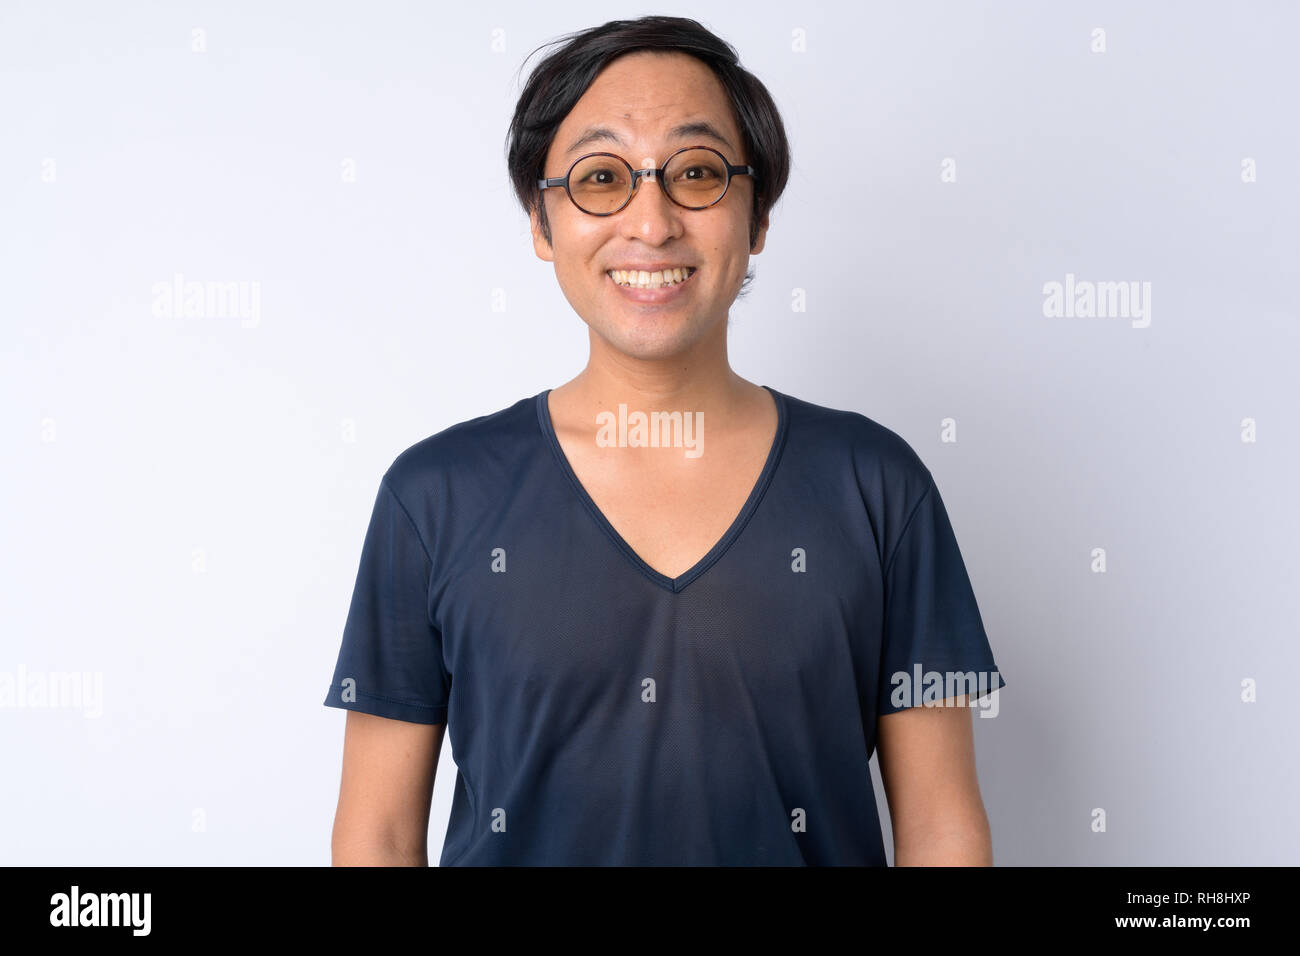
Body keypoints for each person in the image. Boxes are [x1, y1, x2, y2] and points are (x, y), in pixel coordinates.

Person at [324, 15, 1005, 866]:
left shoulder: (877, 487)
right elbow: (377, 836)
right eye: (601, 177)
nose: (651, 223)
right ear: (542, 224)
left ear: (757, 217)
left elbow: (942, 827)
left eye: (696, 173)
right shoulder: (433, 497)